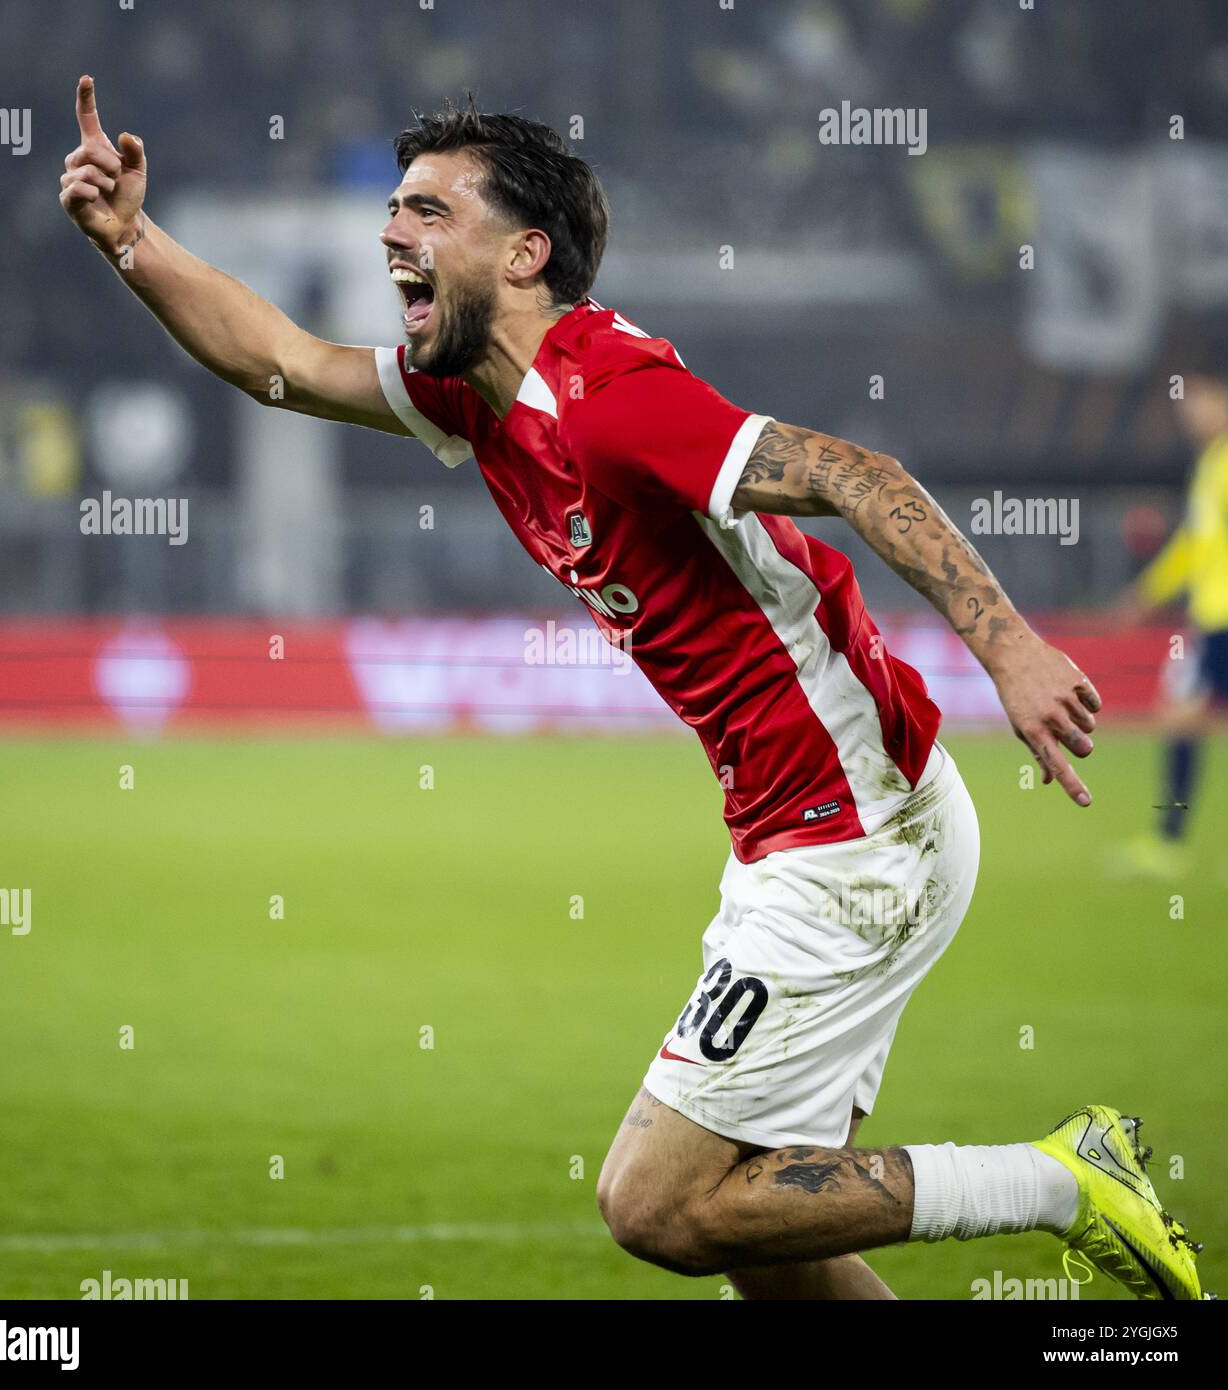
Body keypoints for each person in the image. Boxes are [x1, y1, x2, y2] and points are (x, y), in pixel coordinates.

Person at [60, 77, 1203, 1300]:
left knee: (657, 1203)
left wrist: (1011, 649)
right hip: (798, 832)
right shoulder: (475, 401)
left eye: (427, 212)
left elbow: (861, 474)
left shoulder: (613, 402)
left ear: (524, 252)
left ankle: (1064, 1179)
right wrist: (132, 238)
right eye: (393, 210)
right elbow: (279, 361)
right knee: (774, 1246)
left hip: (856, 834)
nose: (392, 233)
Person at [1115, 371, 1228, 880]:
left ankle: (1169, 844)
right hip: (1211, 619)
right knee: (1180, 718)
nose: (1192, 412)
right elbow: (1192, 546)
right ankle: (1168, 843)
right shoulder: (1212, 464)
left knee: (1181, 718)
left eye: (1202, 399)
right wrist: (1147, 595)